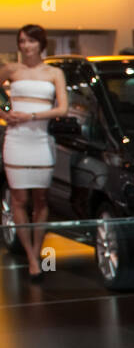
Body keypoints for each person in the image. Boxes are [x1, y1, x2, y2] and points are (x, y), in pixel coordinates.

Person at [1, 24, 67, 281]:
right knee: (19, 200)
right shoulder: (11, 70)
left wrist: (30, 114)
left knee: (41, 200)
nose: (26, 46)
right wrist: (5, 115)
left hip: (40, 139)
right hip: (15, 139)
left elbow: (62, 109)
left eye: (31, 41)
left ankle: (38, 250)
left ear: (41, 44)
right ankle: (31, 257)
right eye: (22, 41)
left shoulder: (54, 73)